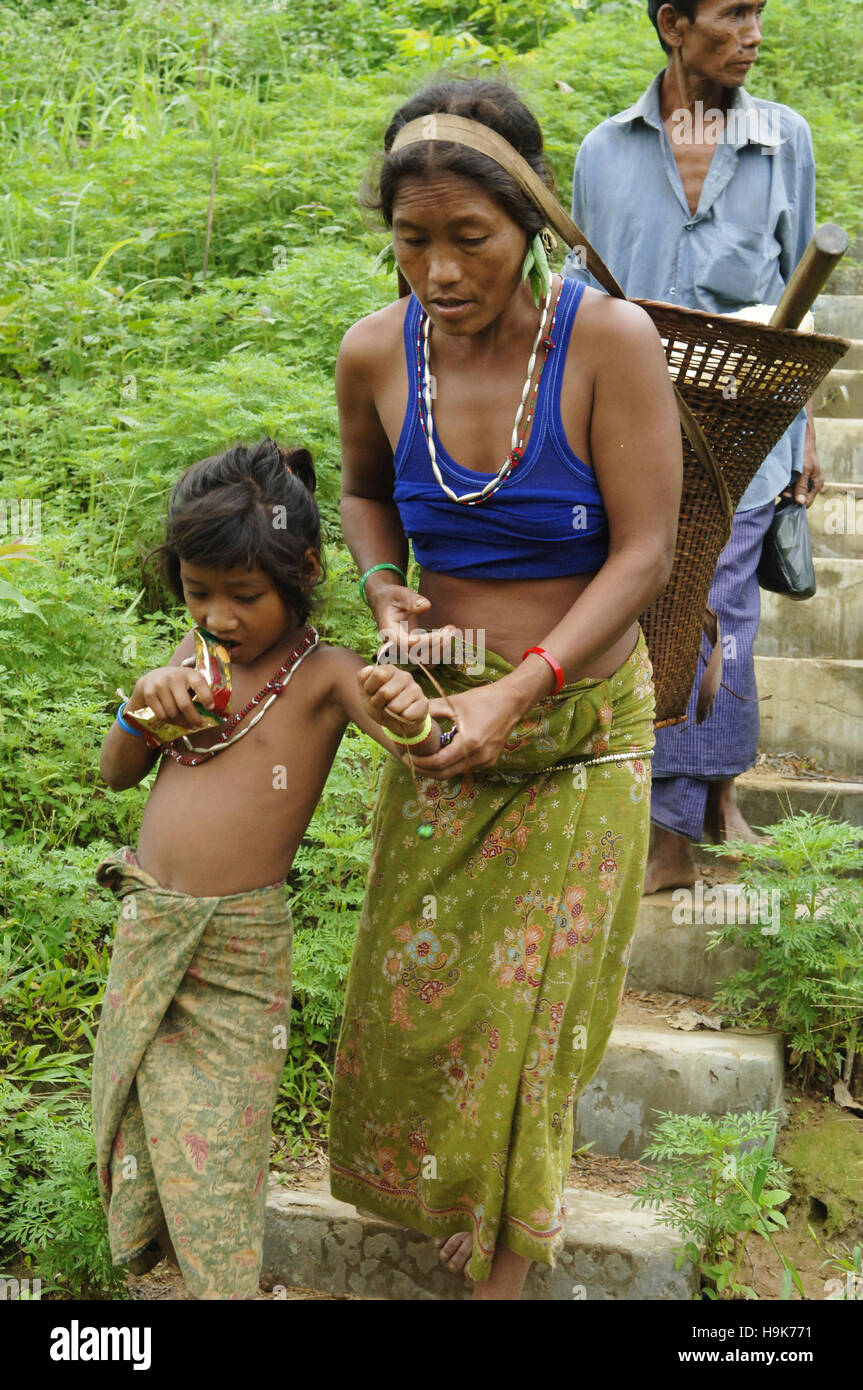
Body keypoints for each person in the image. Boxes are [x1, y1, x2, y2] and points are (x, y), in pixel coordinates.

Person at [327, 78, 682, 1300]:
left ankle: (508, 1275)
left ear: (530, 222)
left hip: (577, 733)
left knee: (529, 1023)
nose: (436, 269)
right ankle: (454, 1215)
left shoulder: (605, 344)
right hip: (440, 726)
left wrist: (519, 691)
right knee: (421, 1008)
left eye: (466, 237)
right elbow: (366, 493)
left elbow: (642, 550)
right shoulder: (375, 352)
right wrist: (385, 597)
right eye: (411, 240)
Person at [92, 438, 444, 1300]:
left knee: (220, 1146)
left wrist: (409, 702)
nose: (218, 616)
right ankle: (160, 1277)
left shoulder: (324, 677)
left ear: (304, 571)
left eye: (242, 596)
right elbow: (116, 772)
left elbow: (428, 745)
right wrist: (144, 708)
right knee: (134, 1121)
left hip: (240, 952)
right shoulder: (190, 656)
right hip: (151, 929)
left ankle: (224, 1289)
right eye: (197, 591)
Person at [562, 0, 824, 893]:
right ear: (673, 22)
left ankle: (682, 826)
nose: (752, 32)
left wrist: (806, 428)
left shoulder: (782, 139)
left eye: (758, 13)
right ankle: (686, 800)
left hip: (746, 419)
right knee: (653, 609)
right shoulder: (605, 150)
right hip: (632, 422)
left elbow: (800, 294)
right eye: (732, 13)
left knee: (724, 614)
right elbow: (580, 289)